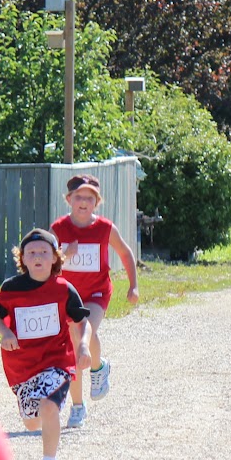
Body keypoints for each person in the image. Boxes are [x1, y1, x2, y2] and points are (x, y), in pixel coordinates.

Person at [0, 229, 89, 460]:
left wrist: (84, 347)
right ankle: (43, 429)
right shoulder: (11, 288)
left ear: (55, 258)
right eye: (31, 252)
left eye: (44, 252)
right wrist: (6, 332)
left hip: (57, 361)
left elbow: (82, 322)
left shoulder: (64, 289)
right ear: (22, 258)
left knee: (48, 407)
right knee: (32, 422)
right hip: (22, 367)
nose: (38, 257)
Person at [51, 174, 139, 428]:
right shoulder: (58, 229)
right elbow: (46, 261)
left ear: (97, 202)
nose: (83, 202)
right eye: (78, 196)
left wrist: (133, 285)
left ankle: (97, 368)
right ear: (69, 199)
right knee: (75, 345)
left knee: (83, 330)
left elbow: (125, 252)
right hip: (68, 295)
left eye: (90, 198)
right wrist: (64, 255)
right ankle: (78, 405)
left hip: (97, 293)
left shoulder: (105, 228)